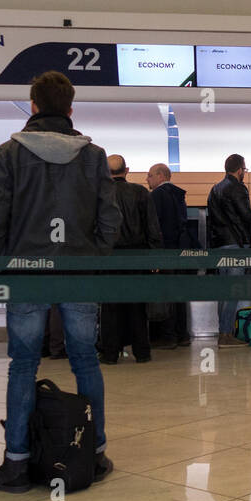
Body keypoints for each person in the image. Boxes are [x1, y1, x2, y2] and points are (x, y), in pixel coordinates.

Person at [0, 71, 122, 493]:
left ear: (34, 106)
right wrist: (93, 257)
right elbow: (109, 218)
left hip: (26, 272)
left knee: (23, 365)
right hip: (78, 272)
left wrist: (2, 265)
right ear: (71, 109)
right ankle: (93, 453)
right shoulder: (94, 157)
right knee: (85, 361)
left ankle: (17, 464)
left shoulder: (6, 154)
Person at [99, 154, 162, 364]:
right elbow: (152, 227)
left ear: (106, 173)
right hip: (138, 257)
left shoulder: (99, 195)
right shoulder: (141, 192)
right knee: (137, 307)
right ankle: (142, 352)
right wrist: (155, 259)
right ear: (127, 170)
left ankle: (110, 353)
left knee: (110, 308)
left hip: (109, 258)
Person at [206, 153, 251, 348]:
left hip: (220, 245)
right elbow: (246, 216)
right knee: (233, 292)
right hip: (236, 245)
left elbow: (229, 215)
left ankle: (224, 332)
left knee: (224, 292)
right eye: (245, 169)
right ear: (240, 170)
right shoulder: (238, 187)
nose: (244, 173)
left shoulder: (215, 189)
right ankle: (226, 335)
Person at [146, 162, 192, 347]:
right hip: (179, 251)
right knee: (179, 294)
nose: (147, 179)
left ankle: (167, 336)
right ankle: (182, 335)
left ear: (160, 176)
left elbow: (154, 225)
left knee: (165, 294)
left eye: (149, 175)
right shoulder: (179, 195)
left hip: (164, 251)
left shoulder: (157, 195)